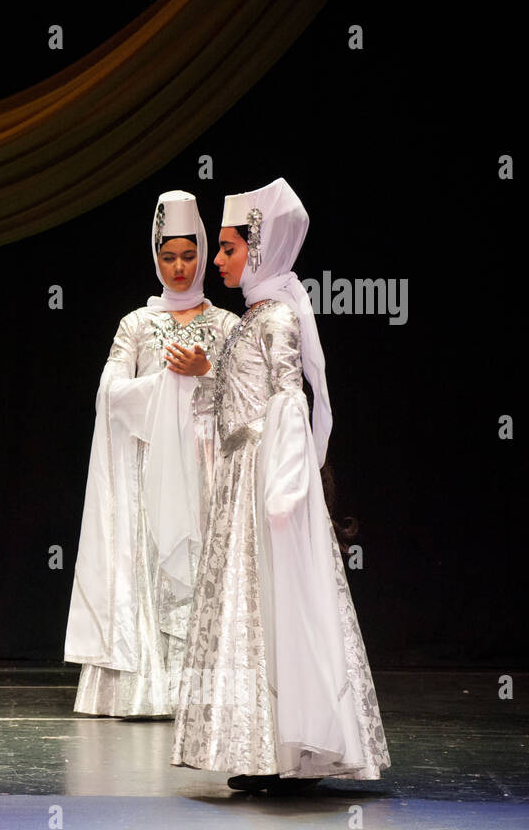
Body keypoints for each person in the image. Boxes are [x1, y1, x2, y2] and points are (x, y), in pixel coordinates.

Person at [170, 178, 389, 792]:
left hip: (269, 481)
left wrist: (286, 487)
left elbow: (289, 402)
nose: (217, 260)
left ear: (259, 252)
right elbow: (237, 396)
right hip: (245, 478)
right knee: (250, 612)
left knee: (280, 607)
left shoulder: (278, 320)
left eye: (227, 248)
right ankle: (268, 751)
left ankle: (295, 750)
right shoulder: (253, 320)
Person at [66, 191, 239, 717]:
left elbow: (246, 393)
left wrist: (204, 372)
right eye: (169, 257)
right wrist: (167, 383)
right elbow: (108, 393)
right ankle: (150, 688)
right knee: (153, 569)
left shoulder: (229, 326)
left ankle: (207, 691)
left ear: (203, 251)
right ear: (155, 258)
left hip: (208, 470)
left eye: (189, 255)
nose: (180, 267)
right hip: (149, 471)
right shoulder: (137, 326)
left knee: (203, 565)